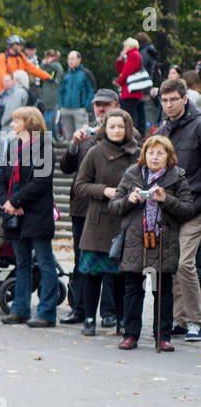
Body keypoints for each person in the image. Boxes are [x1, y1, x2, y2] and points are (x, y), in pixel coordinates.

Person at [108, 136, 193, 350]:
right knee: (133, 289)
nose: (155, 157)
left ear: (169, 157)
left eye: (160, 153)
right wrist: (130, 200)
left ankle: (162, 337)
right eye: (151, 152)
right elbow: (113, 206)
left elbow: (188, 209)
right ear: (144, 155)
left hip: (163, 241)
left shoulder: (178, 177)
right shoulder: (132, 174)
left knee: (162, 291)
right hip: (136, 241)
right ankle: (130, 335)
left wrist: (167, 199)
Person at [59, 88, 125, 329]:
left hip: (110, 209)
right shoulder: (85, 133)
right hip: (82, 208)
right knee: (81, 262)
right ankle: (80, 309)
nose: (100, 109)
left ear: (115, 105)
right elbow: (66, 168)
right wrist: (74, 145)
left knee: (109, 261)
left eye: (105, 105)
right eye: (97, 105)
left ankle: (109, 312)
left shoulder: (124, 133)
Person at [72, 108, 136, 336]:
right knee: (92, 275)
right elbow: (80, 185)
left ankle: (121, 319)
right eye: (112, 126)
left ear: (127, 128)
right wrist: (104, 190)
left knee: (120, 277)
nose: (117, 131)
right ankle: (89, 319)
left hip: (125, 222)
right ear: (104, 129)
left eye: (120, 126)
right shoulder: (95, 152)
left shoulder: (136, 153)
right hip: (97, 222)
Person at [0, 106, 59, 328]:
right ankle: (20, 309)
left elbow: (40, 182)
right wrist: (8, 203)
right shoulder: (14, 146)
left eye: (17, 121)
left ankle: (47, 312)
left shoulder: (45, 147)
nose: (12, 125)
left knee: (44, 262)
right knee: (21, 262)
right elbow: (4, 177)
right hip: (15, 214)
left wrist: (16, 201)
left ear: (29, 123)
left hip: (36, 213)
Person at [155, 77, 201, 341]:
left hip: (195, 206)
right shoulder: (163, 130)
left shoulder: (199, 124)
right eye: (164, 100)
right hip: (169, 206)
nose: (169, 105)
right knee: (171, 263)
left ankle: (195, 320)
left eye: (174, 99)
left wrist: (195, 204)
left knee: (185, 263)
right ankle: (181, 320)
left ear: (185, 99)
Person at [58, 51, 95, 143]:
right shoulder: (65, 75)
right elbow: (61, 91)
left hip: (80, 110)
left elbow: (91, 90)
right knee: (69, 137)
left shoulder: (85, 73)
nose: (70, 61)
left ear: (79, 59)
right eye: (69, 59)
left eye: (73, 58)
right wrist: (61, 105)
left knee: (83, 136)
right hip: (66, 109)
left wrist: (86, 106)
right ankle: (71, 156)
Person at [116, 37, 149, 135]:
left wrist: (119, 82)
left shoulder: (133, 55)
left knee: (130, 115)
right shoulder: (131, 55)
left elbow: (127, 72)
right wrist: (120, 59)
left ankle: (132, 134)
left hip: (130, 92)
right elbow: (120, 70)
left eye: (125, 46)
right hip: (132, 91)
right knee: (136, 114)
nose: (124, 48)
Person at [39, 49, 63, 133]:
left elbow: (58, 78)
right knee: (45, 121)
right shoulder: (47, 66)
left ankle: (52, 139)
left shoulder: (56, 65)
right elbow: (40, 72)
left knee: (51, 121)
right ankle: (47, 140)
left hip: (53, 98)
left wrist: (45, 64)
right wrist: (43, 64)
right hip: (46, 98)